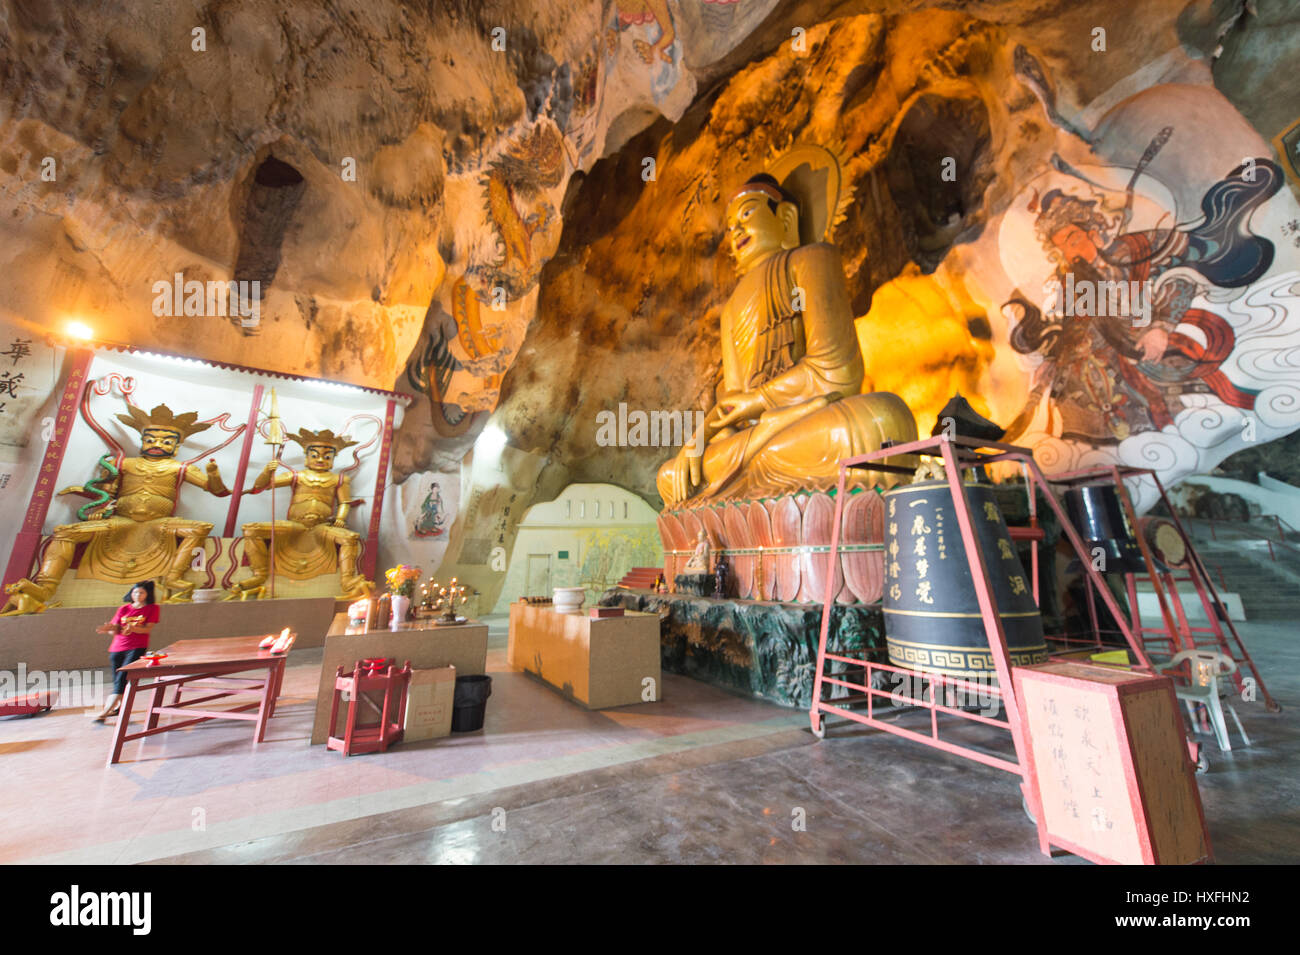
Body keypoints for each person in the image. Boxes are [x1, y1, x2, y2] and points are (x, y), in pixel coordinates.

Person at [92, 580, 161, 722]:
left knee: (122, 678)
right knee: (118, 679)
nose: (137, 595)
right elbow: (116, 630)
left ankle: (104, 712)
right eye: (135, 592)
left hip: (136, 647)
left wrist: (132, 628)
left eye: (141, 592)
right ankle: (119, 708)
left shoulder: (152, 608)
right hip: (117, 648)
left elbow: (148, 628)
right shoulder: (123, 609)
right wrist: (109, 629)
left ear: (147, 594)